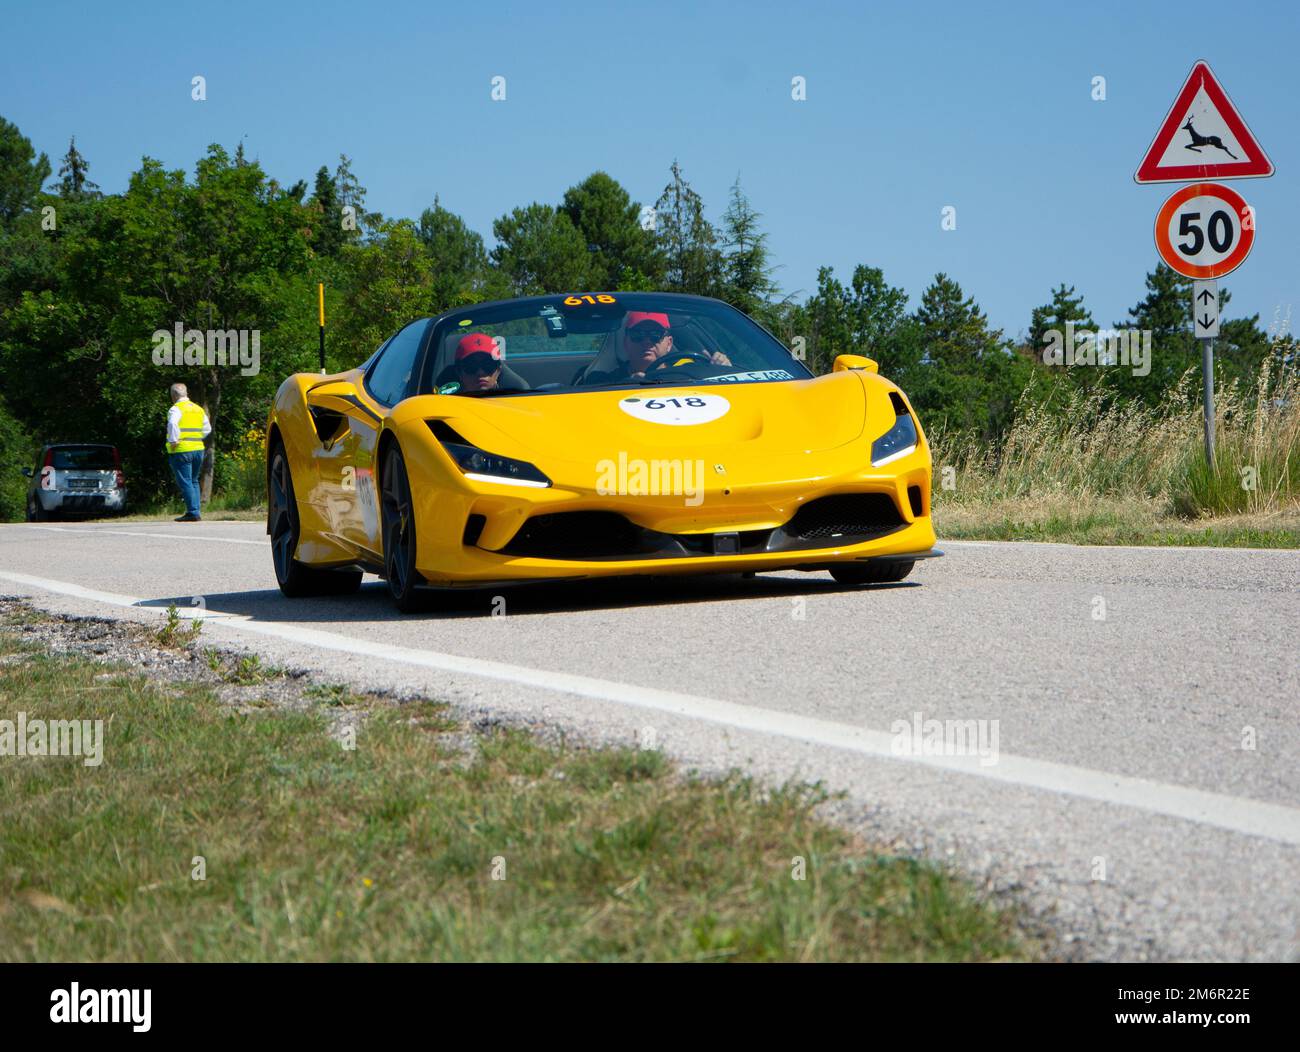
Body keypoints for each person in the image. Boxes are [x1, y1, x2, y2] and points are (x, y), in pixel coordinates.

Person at [582, 311, 730, 385]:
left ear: (669, 343)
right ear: (625, 342)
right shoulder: (605, 381)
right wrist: (626, 384)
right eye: (638, 334)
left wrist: (725, 370)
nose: (647, 341)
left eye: (655, 335)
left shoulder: (691, 373)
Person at [166, 383, 211, 522]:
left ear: (173, 395)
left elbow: (172, 424)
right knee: (194, 480)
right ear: (186, 393)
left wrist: (174, 440)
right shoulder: (198, 409)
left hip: (181, 449)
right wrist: (195, 438)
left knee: (185, 481)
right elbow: (207, 429)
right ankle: (195, 510)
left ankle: (192, 512)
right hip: (198, 448)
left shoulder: (175, 409)